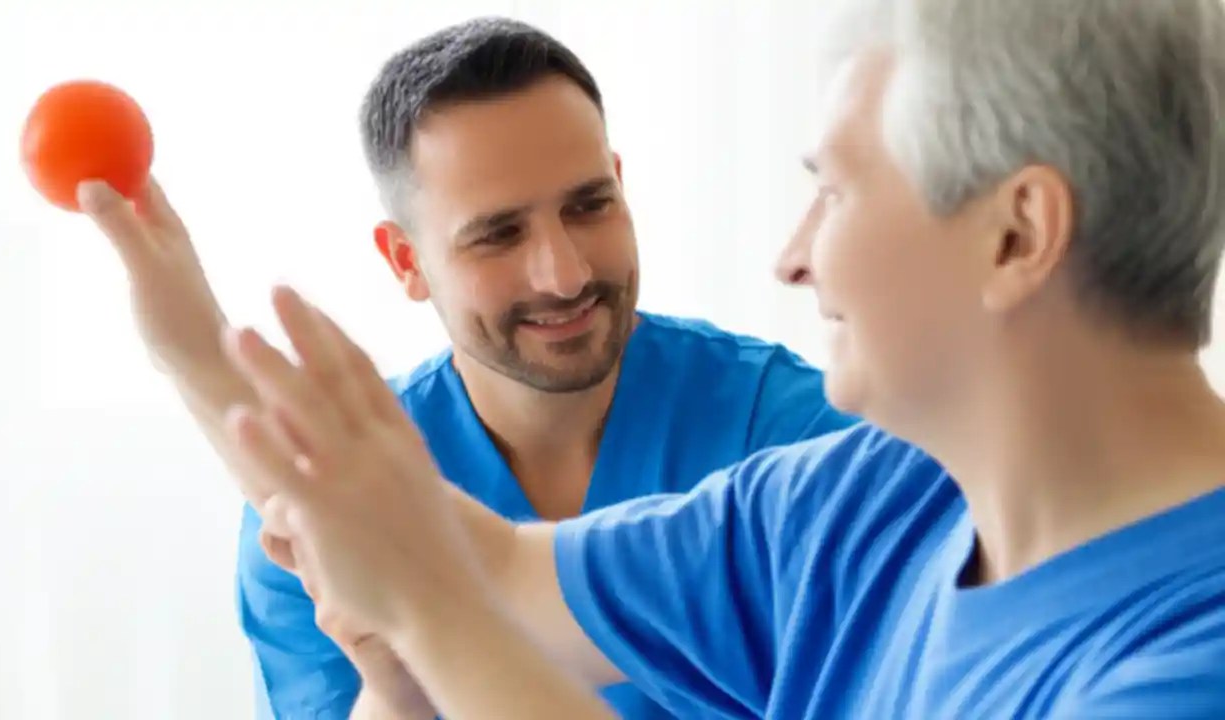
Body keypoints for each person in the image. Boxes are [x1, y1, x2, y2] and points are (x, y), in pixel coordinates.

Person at [212, 0, 1225, 717]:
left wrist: (431, 610)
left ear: (1013, 235)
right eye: (495, 234)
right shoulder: (872, 497)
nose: (790, 258)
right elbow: (495, 569)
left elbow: (453, 591)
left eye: (833, 190)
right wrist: (205, 366)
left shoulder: (1185, 660)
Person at [77, 16, 853, 720]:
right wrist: (392, 689)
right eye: (498, 235)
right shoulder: (335, 498)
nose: (564, 272)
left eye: (588, 205)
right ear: (406, 261)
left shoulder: (798, 435)